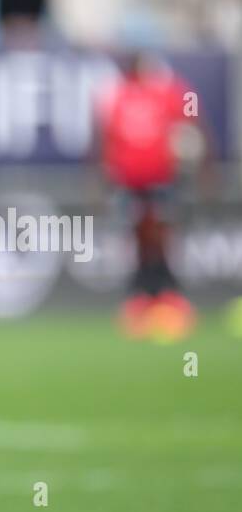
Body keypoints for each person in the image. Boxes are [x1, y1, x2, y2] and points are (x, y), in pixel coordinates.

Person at [95, 53, 202, 339]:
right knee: (137, 237)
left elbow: (193, 121)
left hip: (161, 179)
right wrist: (98, 177)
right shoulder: (117, 94)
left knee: (161, 236)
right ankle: (141, 298)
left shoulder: (169, 90)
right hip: (129, 181)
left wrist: (202, 165)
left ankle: (167, 295)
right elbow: (103, 138)